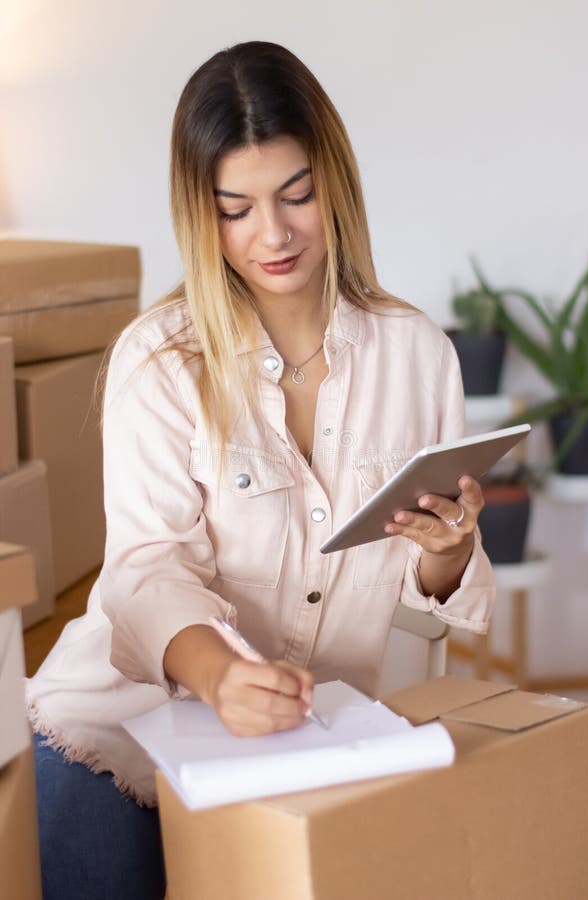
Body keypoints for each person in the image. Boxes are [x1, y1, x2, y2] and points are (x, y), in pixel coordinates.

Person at [27, 40, 495, 900]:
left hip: (306, 743)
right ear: (199, 214)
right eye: (234, 207)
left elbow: (428, 587)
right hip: (119, 732)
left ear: (335, 184)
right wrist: (219, 676)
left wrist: (447, 546)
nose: (272, 234)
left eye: (296, 195)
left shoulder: (419, 354)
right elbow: (145, 568)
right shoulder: (157, 359)